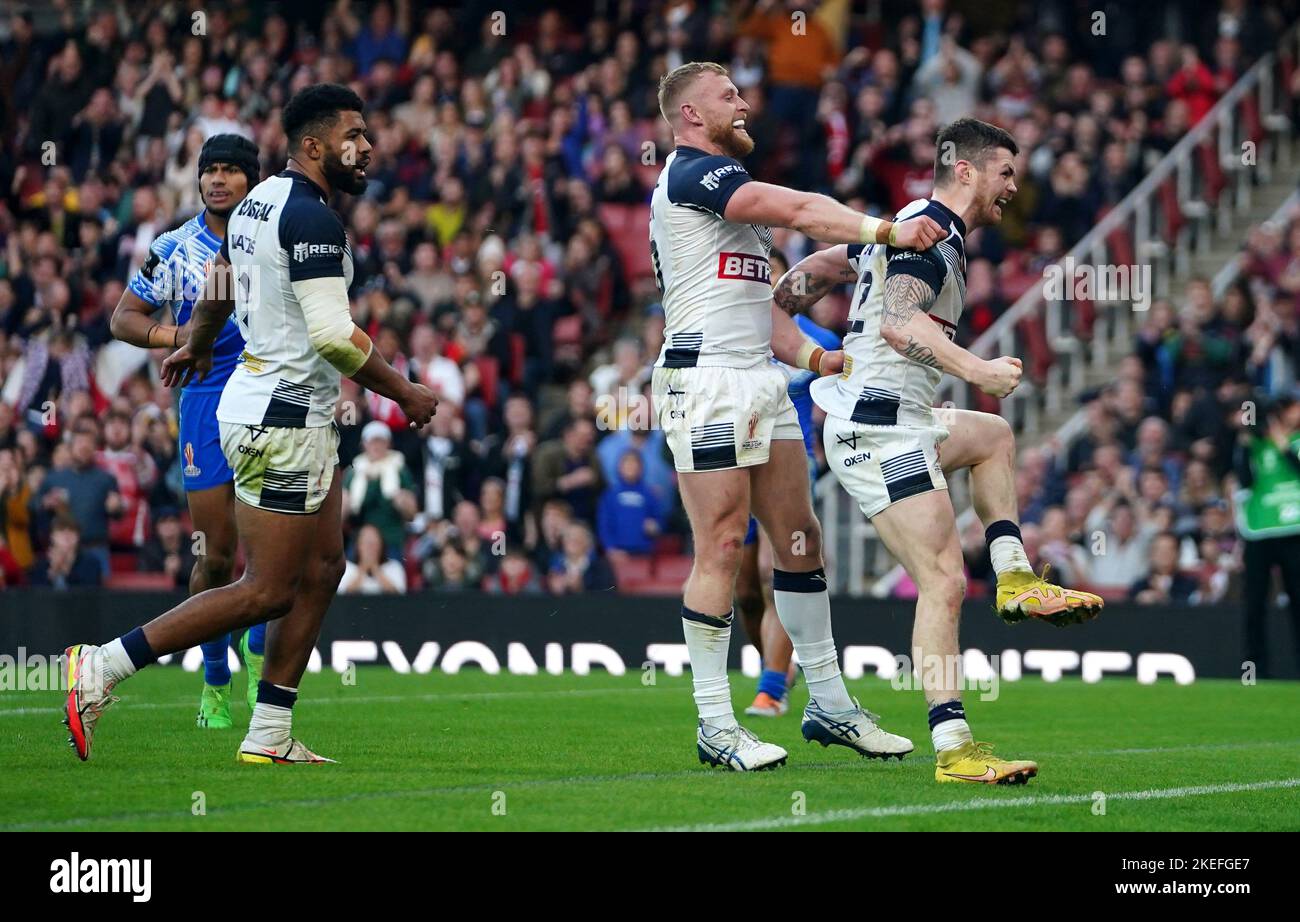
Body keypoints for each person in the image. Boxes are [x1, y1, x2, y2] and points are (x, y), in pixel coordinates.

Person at [62, 83, 438, 765]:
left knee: (325, 566)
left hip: (287, 412)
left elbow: (221, 282)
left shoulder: (258, 202)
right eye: (354, 135)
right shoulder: (310, 219)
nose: (367, 147)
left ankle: (269, 733)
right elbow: (330, 335)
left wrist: (201, 339)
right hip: (282, 418)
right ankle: (102, 664)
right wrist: (403, 392)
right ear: (315, 145)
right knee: (263, 589)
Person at [788, 117, 1104, 785]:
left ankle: (1016, 579)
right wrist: (981, 372)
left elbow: (825, 264)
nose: (1013, 187)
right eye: (1005, 172)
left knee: (993, 436)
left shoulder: (909, 223)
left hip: (901, 416)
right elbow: (901, 325)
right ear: (965, 170)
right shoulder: (932, 237)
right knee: (942, 582)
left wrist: (777, 309)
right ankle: (955, 748)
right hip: (882, 431)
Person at [649, 61, 943, 771]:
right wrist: (886, 232)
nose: (744, 104)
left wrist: (819, 362)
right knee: (721, 545)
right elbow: (805, 209)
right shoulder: (692, 174)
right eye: (728, 97)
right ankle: (717, 724)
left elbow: (769, 314)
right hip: (707, 380)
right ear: (690, 115)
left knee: (802, 539)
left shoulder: (732, 210)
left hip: (759, 378)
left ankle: (830, 705)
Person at [110, 133, 265, 728]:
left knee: (268, 549)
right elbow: (124, 317)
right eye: (210, 171)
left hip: (264, 388)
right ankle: (214, 681)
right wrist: (179, 338)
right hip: (202, 398)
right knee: (217, 553)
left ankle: (257, 658)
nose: (218, 181)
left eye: (231, 171)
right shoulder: (173, 246)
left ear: (252, 180)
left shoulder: (271, 239)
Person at [734, 247, 839, 718]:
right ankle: (775, 668)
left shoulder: (817, 339)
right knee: (744, 592)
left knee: (771, 573)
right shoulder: (731, 338)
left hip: (788, 462)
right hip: (734, 461)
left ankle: (771, 689)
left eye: (775, 277)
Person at [1234, 392, 1300, 677]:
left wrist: (1284, 446)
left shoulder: (1296, 442)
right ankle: (1256, 669)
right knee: (1254, 604)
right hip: (1259, 532)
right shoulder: (1256, 446)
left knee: (1298, 602)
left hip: (1294, 530)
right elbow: (1244, 480)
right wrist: (1245, 445)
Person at [339, 523, 406, 594]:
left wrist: (376, 570)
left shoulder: (394, 567)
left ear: (381, 546)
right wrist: (363, 570)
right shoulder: (347, 567)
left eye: (374, 544)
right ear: (358, 546)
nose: (370, 549)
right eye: (367, 544)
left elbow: (400, 596)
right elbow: (342, 595)